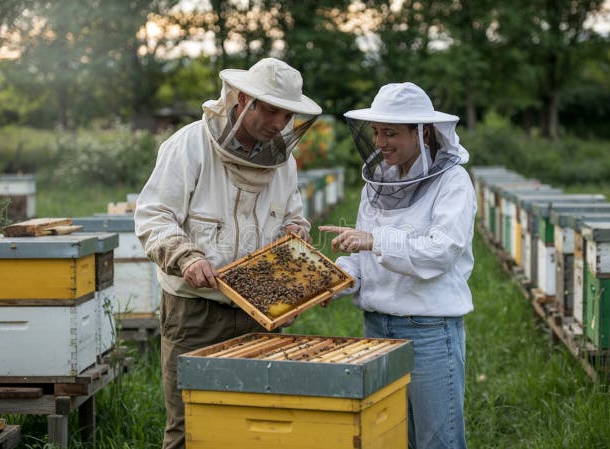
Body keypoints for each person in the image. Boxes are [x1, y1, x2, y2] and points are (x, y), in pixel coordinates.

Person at [135, 57, 321, 449]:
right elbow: (154, 216)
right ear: (242, 101)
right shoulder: (188, 145)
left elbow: (294, 217)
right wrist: (188, 257)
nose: (277, 123)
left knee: (256, 428)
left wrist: (293, 234)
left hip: (264, 312)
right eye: (270, 110)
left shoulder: (282, 162)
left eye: (286, 115)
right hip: (197, 314)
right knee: (190, 428)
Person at [320, 82, 475, 449]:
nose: (379, 142)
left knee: (437, 440)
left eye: (390, 133)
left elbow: (441, 251)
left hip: (429, 331)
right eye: (375, 132)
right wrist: (341, 278)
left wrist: (375, 240)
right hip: (376, 326)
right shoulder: (377, 183)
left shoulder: (453, 182)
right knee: (387, 438)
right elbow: (362, 256)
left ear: (421, 132)